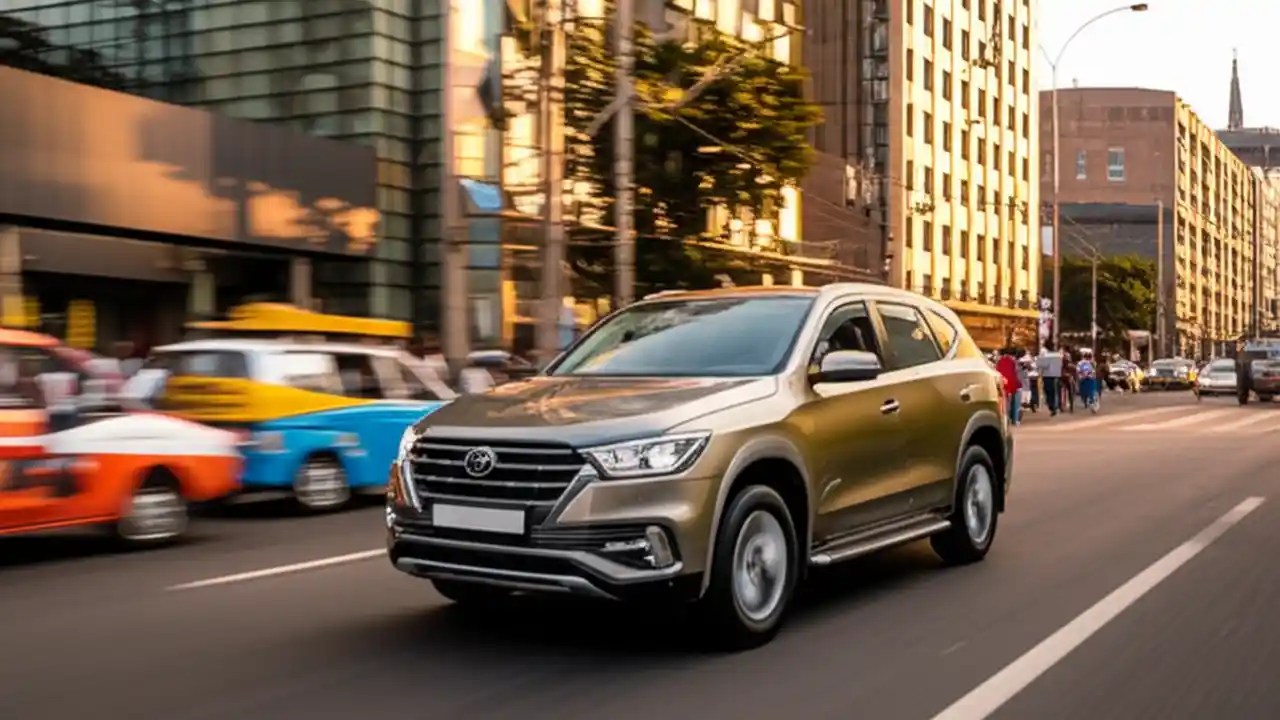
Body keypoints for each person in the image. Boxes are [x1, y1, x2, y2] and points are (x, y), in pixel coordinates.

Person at [995, 347, 1023, 426]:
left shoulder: (999, 362)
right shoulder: (1014, 362)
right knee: (1016, 403)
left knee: (1005, 404)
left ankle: (1006, 420)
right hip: (1015, 384)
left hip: (1003, 384)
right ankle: (1016, 420)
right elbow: (1016, 374)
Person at [1036, 340, 1064, 416]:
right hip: (1056, 375)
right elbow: (1060, 365)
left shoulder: (1046, 354)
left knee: (1048, 392)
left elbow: (1042, 364)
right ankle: (1055, 406)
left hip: (1047, 375)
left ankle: (1052, 406)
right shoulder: (1057, 354)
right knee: (1055, 392)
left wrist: (1039, 370)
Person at [1077, 348, 1099, 413]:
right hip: (1090, 379)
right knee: (1091, 392)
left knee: (1084, 392)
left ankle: (1088, 403)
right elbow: (1093, 370)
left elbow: (1078, 371)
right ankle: (1092, 404)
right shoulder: (1092, 362)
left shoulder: (1080, 363)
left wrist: (1082, 375)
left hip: (1084, 379)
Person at [1060, 348, 1077, 413]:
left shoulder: (1071, 366)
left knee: (1069, 393)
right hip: (1065, 380)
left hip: (1068, 380)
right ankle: (1067, 407)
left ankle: (1070, 407)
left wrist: (1071, 377)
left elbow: (1074, 374)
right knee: (1066, 393)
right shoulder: (1070, 365)